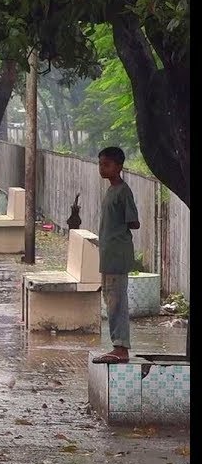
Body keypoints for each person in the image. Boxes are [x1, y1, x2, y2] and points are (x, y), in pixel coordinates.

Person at [91, 146, 140, 364]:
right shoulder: (111, 190)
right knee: (111, 300)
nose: (102, 168)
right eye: (100, 164)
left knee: (116, 301)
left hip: (118, 254)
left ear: (118, 167)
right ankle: (117, 345)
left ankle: (120, 348)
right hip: (108, 254)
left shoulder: (123, 191)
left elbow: (134, 221)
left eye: (107, 164)